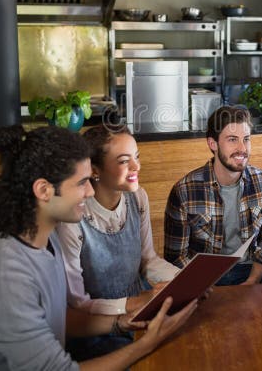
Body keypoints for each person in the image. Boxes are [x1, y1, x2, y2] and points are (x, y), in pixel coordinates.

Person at [0, 125, 197, 370]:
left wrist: (122, 322)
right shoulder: (6, 277)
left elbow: (63, 318)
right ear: (43, 190)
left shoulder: (45, 239)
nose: (91, 190)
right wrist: (145, 344)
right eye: (82, 182)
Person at [57, 124, 181, 360]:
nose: (136, 167)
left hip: (141, 306)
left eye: (136, 157)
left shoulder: (138, 197)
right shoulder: (72, 219)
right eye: (124, 161)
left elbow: (148, 260)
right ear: (95, 170)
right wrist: (132, 304)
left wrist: (183, 279)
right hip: (95, 327)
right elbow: (77, 303)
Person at [164, 106, 262, 285]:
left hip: (249, 270)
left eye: (246, 139)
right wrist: (204, 286)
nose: (242, 148)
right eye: (232, 140)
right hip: (201, 277)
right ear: (213, 144)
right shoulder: (184, 190)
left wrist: (253, 279)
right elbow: (176, 257)